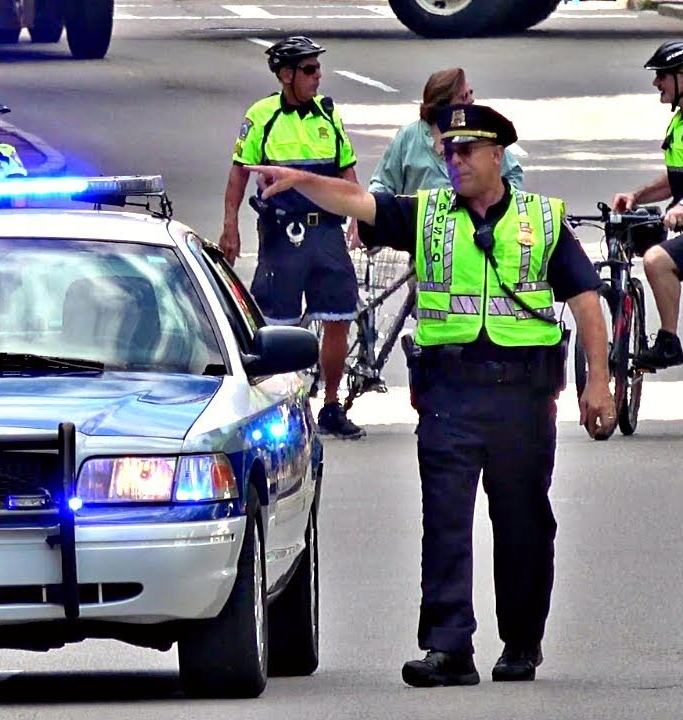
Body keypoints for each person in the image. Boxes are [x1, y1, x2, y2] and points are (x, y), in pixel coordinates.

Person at [243, 104, 616, 687]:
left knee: (523, 525)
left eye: (468, 151)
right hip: (449, 397)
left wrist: (599, 383)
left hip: (522, 399)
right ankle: (449, 648)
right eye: (449, 151)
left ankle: (521, 642)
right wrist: (302, 183)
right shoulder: (429, 216)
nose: (455, 160)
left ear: (499, 156)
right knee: (444, 523)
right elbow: (360, 203)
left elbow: (587, 301)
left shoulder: (544, 220)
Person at [219, 35, 365, 439]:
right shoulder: (262, 115)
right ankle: (279, 405)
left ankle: (331, 405)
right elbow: (238, 173)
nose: (318, 77)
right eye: (309, 70)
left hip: (327, 231)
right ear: (286, 75)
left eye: (318, 69)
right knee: (276, 323)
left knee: (339, 317)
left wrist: (357, 216)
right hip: (284, 234)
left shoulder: (328, 115)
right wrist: (230, 224)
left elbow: (346, 169)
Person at [610, 40, 683, 369]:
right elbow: (675, 178)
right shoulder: (679, 121)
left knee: (657, 260)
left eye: (663, 76)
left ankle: (668, 342)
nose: (656, 83)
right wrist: (637, 196)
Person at [369, 67, 524, 196]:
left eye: (471, 92)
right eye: (464, 96)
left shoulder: (477, 133)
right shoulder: (409, 136)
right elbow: (382, 184)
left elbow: (512, 173)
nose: (471, 100)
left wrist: (497, 205)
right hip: (418, 227)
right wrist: (375, 210)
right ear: (444, 105)